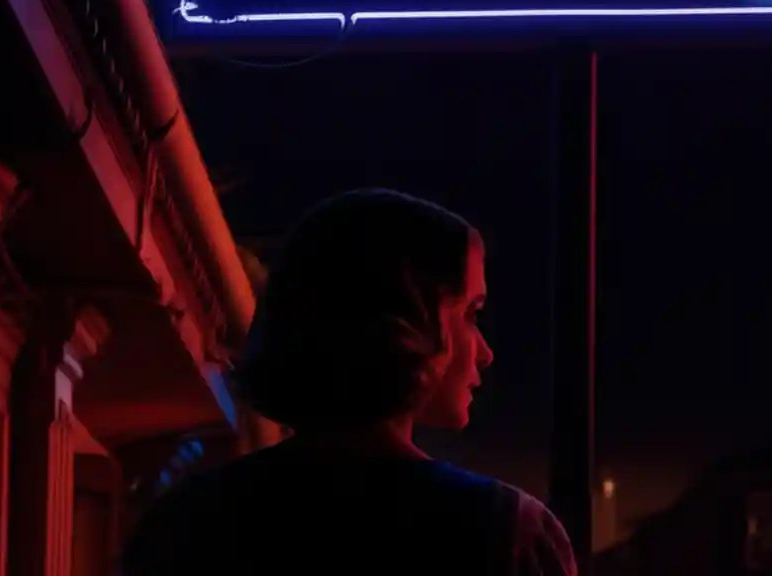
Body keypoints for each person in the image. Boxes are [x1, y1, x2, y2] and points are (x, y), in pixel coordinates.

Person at [120, 189, 576, 575]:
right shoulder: (507, 535)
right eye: (471, 313)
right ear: (410, 319)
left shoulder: (186, 524)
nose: (485, 350)